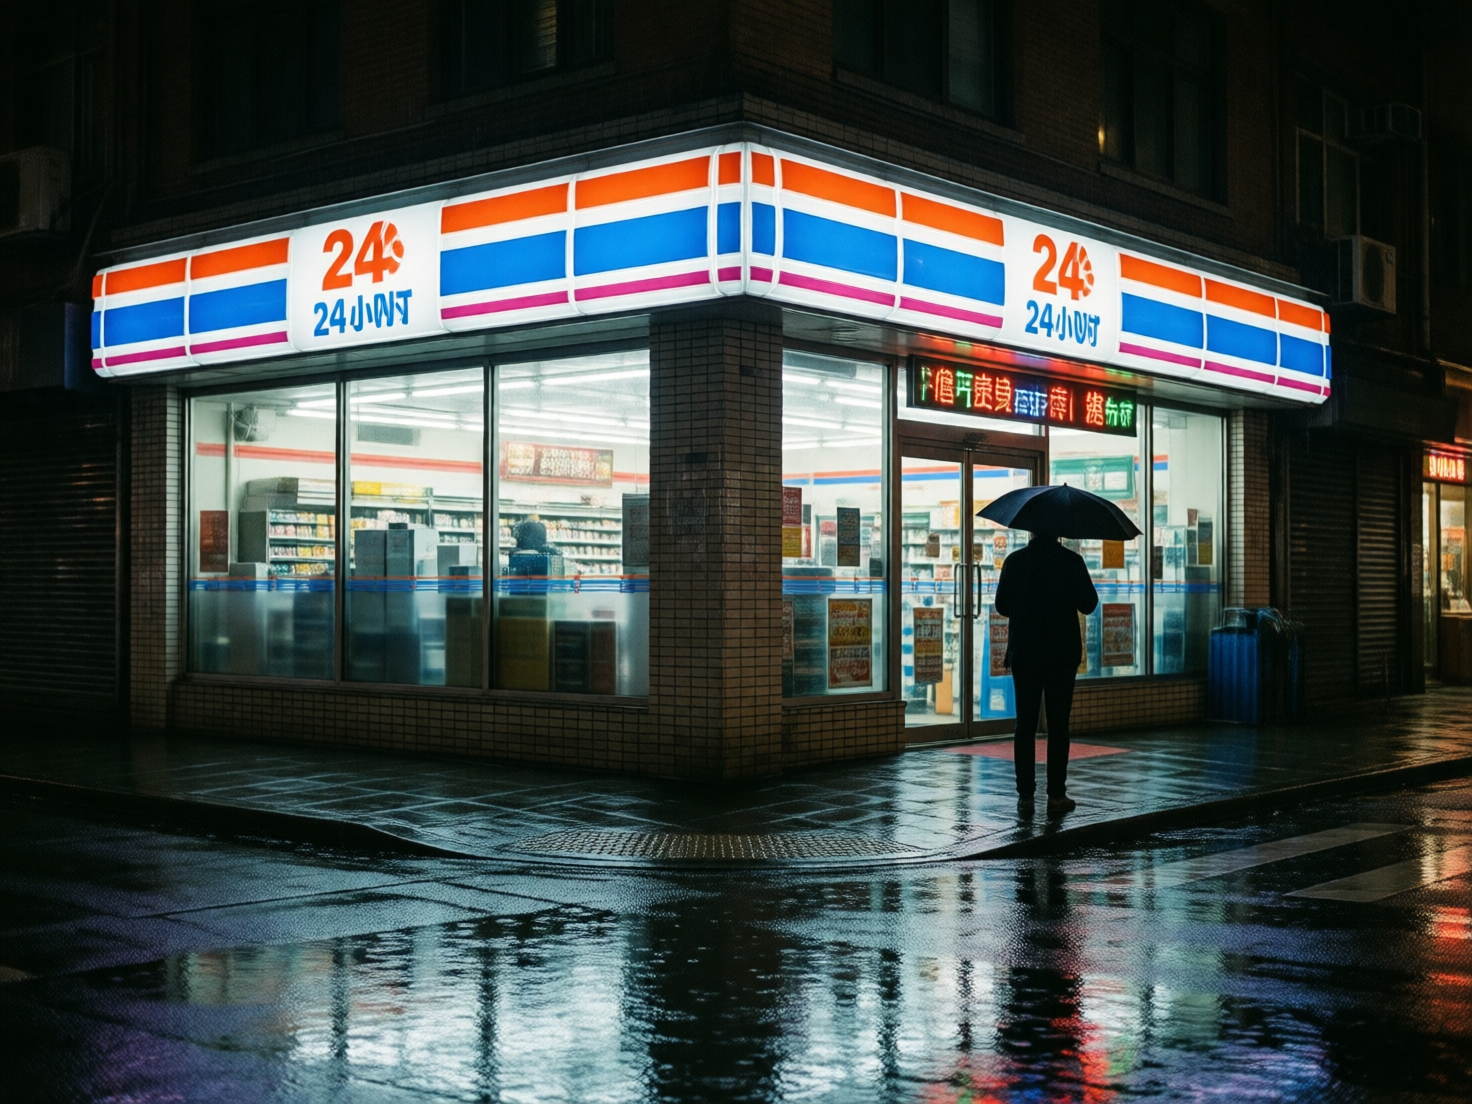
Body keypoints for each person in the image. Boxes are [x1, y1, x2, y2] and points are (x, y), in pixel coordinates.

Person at [993, 532, 1098, 815]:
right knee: (1058, 725)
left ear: (1031, 531)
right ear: (1058, 532)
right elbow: (1089, 603)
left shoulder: (1015, 561)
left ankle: (1025, 796)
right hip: (1061, 654)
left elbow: (1002, 605)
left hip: (1025, 652)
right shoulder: (1072, 562)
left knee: (1025, 725)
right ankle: (1056, 796)